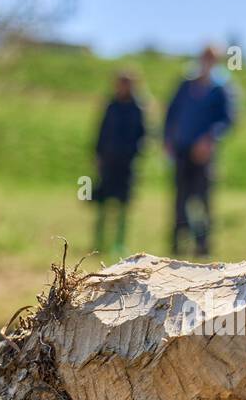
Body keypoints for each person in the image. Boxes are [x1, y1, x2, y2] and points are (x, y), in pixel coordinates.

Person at [164, 44, 235, 257]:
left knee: (202, 200)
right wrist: (167, 139)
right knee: (180, 198)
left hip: (204, 154)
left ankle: (202, 245)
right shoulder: (186, 84)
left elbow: (228, 119)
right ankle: (177, 243)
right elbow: (171, 113)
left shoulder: (221, 87)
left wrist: (209, 139)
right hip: (182, 150)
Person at [91, 71, 147, 258]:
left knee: (124, 203)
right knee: (102, 202)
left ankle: (119, 243)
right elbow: (101, 130)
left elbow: (144, 135)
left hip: (127, 163)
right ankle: (98, 243)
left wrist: (135, 152)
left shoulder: (138, 108)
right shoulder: (111, 106)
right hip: (108, 160)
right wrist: (97, 154)